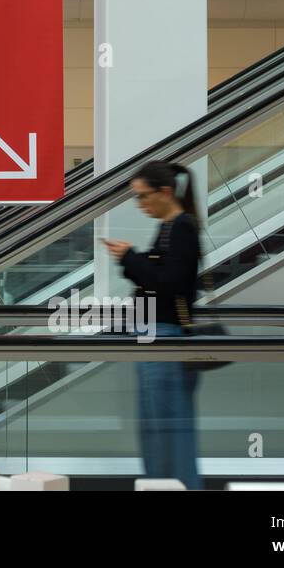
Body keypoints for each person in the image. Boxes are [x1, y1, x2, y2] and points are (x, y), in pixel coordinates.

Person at [102, 160, 203, 490]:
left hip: (165, 338)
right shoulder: (169, 227)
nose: (140, 204)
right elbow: (161, 278)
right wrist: (129, 259)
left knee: (167, 431)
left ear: (166, 191)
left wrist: (131, 258)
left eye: (143, 196)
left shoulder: (182, 227)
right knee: (158, 429)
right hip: (154, 334)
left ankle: (175, 485)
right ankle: (162, 485)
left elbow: (171, 284)